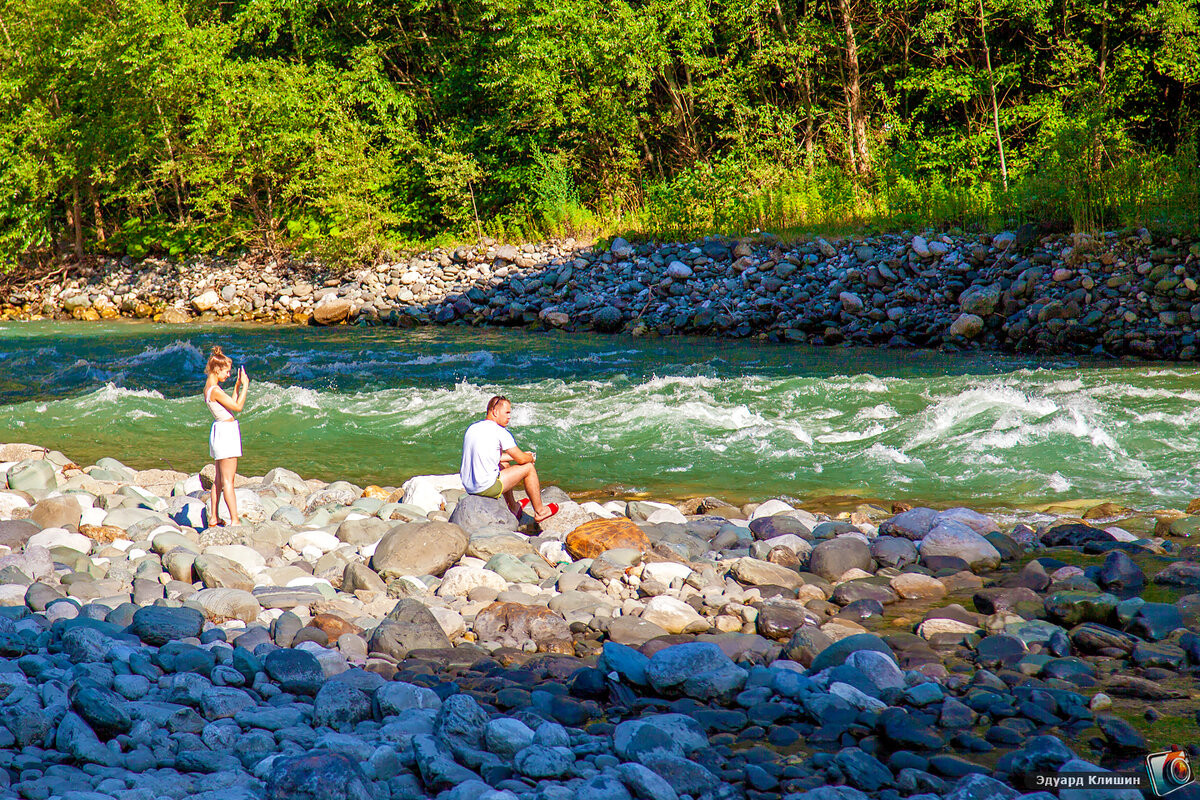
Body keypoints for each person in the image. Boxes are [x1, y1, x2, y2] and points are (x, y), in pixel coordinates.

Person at [460, 395, 558, 522]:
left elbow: (494, 456)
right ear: (495, 412)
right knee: (528, 468)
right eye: (506, 412)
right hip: (485, 487)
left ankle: (513, 507)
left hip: (469, 486)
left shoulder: (472, 428)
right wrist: (530, 457)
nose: (509, 416)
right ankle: (540, 511)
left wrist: (518, 458)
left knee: (505, 465)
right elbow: (522, 460)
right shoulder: (500, 431)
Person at [203, 346, 249, 526]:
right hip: (226, 433)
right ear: (217, 369)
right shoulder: (215, 390)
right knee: (228, 481)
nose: (229, 375)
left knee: (219, 480)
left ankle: (214, 517)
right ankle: (235, 520)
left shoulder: (209, 387)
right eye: (227, 371)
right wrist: (245, 386)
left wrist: (236, 387)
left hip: (219, 431)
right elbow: (237, 407)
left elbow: (228, 405)